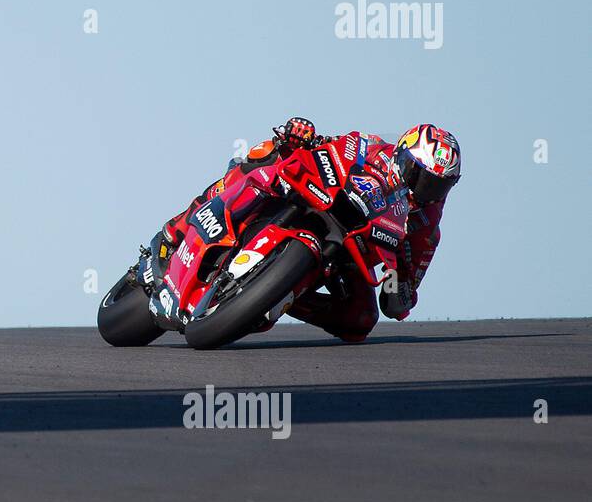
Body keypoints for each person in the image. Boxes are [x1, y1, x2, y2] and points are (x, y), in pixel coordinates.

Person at [155, 118, 461, 342]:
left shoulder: (426, 223)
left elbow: (403, 292)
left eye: (438, 184)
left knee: (361, 320)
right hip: (315, 199)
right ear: (403, 154)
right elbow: (333, 146)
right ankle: (178, 228)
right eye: (420, 175)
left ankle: (273, 296)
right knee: (265, 158)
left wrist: (399, 287)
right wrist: (303, 135)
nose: (427, 189)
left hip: (347, 252)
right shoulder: (372, 147)